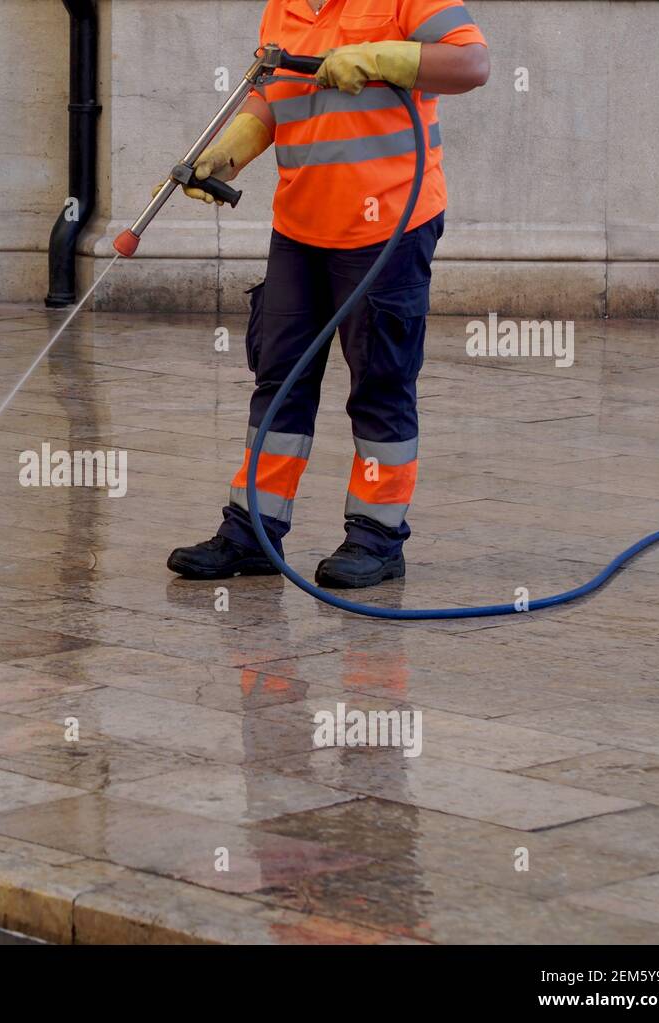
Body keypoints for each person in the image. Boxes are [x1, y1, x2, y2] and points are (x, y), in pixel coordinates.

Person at [166, 0, 489, 587]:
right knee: (279, 376)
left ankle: (377, 538)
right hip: (299, 227)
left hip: (389, 223)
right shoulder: (282, 8)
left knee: (380, 380)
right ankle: (253, 532)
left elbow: (470, 64)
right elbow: (273, 93)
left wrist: (379, 56)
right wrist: (229, 151)